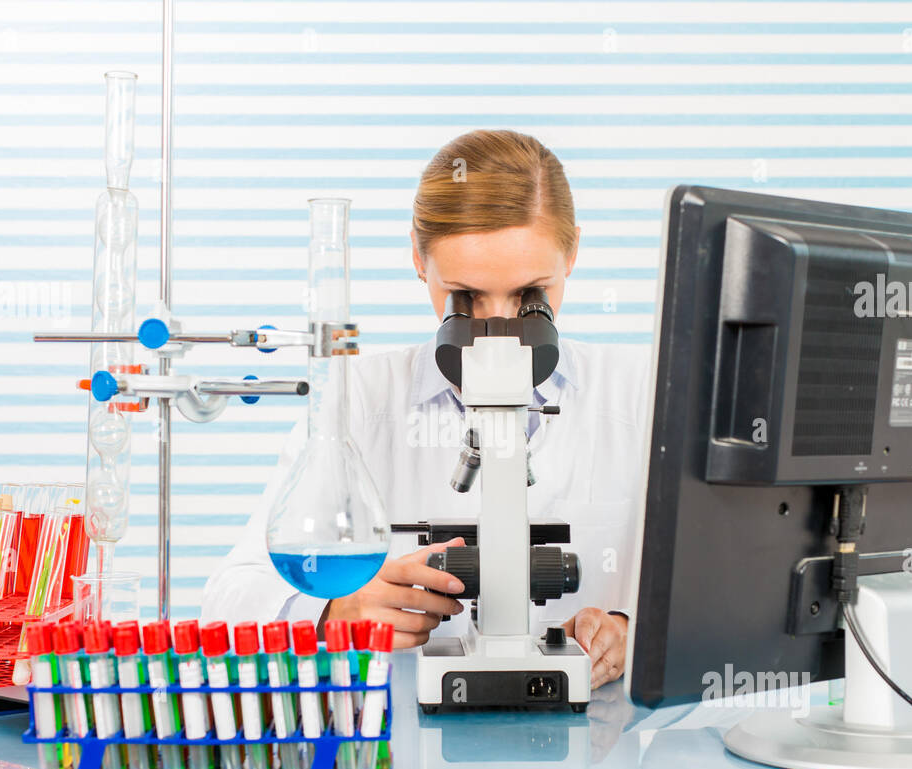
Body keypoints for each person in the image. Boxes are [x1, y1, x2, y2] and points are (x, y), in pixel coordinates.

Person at [202, 130, 650, 689]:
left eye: (530, 294)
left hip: (596, 757)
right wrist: (331, 614)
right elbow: (229, 596)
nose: (497, 327)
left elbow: (724, 590)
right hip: (407, 758)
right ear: (418, 257)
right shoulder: (360, 397)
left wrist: (635, 632)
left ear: (573, 254)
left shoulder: (639, 392)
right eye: (465, 297)